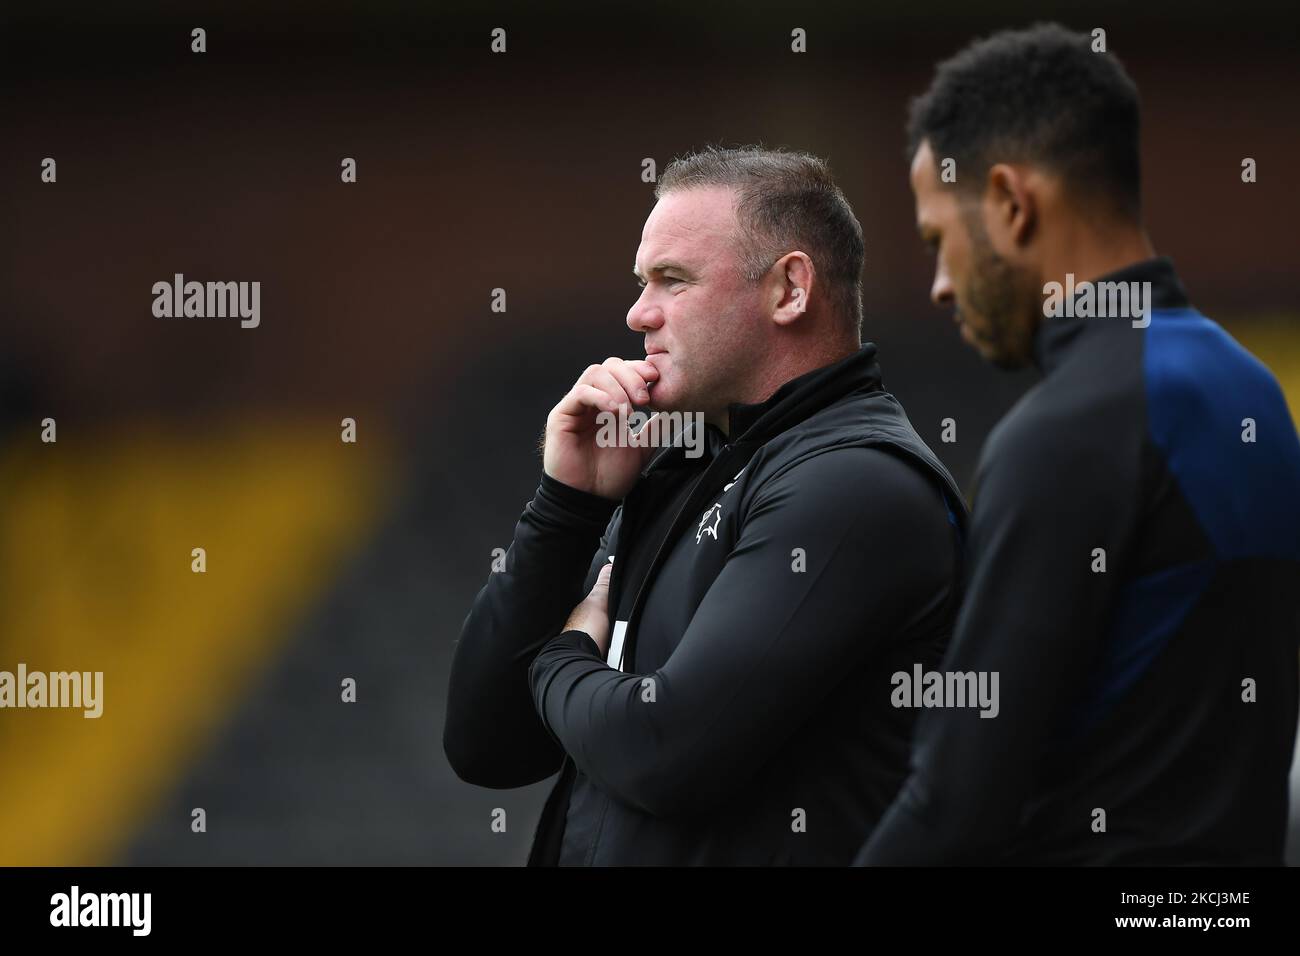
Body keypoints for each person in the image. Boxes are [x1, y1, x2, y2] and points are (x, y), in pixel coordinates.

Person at [445, 146, 967, 865]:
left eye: (672, 280)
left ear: (790, 289)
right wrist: (567, 508)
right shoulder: (681, 469)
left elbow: (665, 751)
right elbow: (487, 746)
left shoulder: (854, 483)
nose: (637, 314)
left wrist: (564, 656)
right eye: (641, 281)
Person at [856, 23, 1300, 865]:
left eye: (936, 241)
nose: (942, 285)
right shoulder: (1253, 392)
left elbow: (953, 806)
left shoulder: (1069, 430)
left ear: (1011, 204)